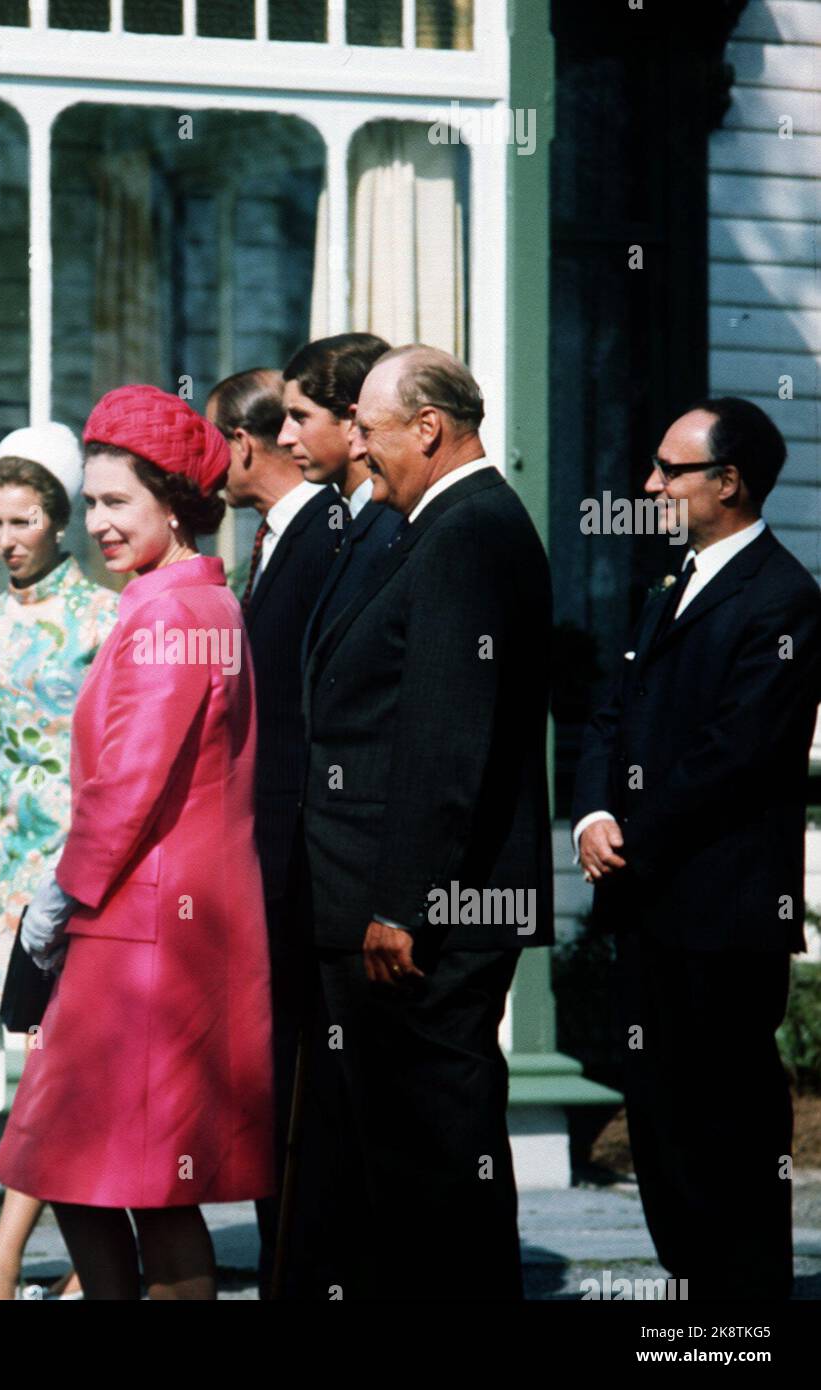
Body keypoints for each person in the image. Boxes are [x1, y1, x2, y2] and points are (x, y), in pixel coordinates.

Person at [0, 384, 274, 1300]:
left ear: (175, 505)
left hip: (144, 931)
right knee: (90, 1167)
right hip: (156, 922)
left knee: (134, 1178)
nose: (100, 524)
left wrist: (55, 902)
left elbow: (126, 787)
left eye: (119, 502)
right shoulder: (194, 603)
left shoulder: (170, 614)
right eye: (93, 503)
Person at [293, 344, 553, 1300]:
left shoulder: (468, 531)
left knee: (436, 1160)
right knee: (397, 1161)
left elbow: (447, 738)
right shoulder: (435, 525)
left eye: (367, 429)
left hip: (423, 916)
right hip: (386, 896)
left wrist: (403, 904)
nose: (356, 448)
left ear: (429, 428)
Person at [572, 398, 821, 1300]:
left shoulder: (784, 599)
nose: (648, 486)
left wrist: (633, 834)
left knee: (726, 1130)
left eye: (668, 470)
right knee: (660, 1122)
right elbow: (610, 712)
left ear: (730, 482)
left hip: (722, 913)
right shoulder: (669, 582)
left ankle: (740, 1323)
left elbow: (736, 754)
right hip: (647, 901)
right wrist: (591, 816)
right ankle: (694, 1306)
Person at [0, 423, 118, 1301]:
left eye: (23, 521)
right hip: (11, 861)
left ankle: (1, 1268)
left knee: (61, 1067)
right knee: (46, 1066)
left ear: (59, 521)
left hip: (86, 859)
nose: (6, 540)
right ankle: (90, 1265)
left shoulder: (105, 616)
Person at [206, 368, 336, 1299]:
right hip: (266, 855)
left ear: (240, 444)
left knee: (301, 1079)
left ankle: (307, 1270)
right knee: (270, 1072)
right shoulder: (272, 540)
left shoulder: (328, 536)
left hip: (304, 856)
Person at [276, 332, 405, 669]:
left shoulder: (394, 527)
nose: (284, 437)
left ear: (352, 422)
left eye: (300, 417)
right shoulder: (340, 519)